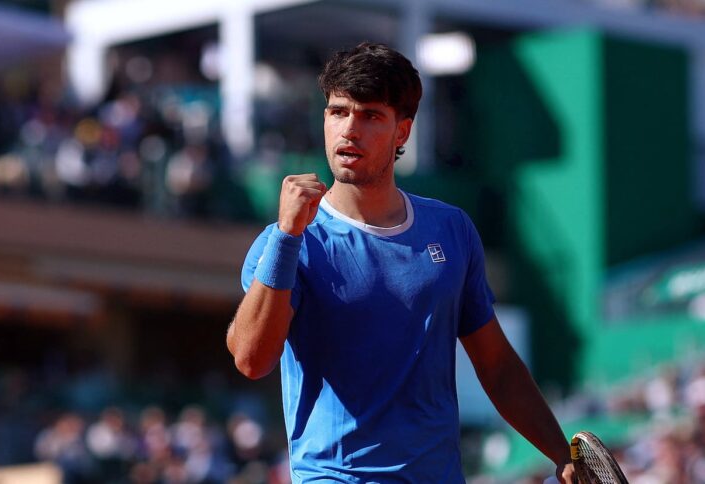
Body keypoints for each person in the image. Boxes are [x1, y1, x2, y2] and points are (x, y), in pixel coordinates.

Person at [227, 42, 574, 483]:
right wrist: (287, 235)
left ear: (402, 132)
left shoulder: (452, 230)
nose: (349, 129)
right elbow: (251, 359)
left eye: (370, 115)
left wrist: (561, 455)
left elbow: (498, 367)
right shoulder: (285, 241)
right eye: (338, 111)